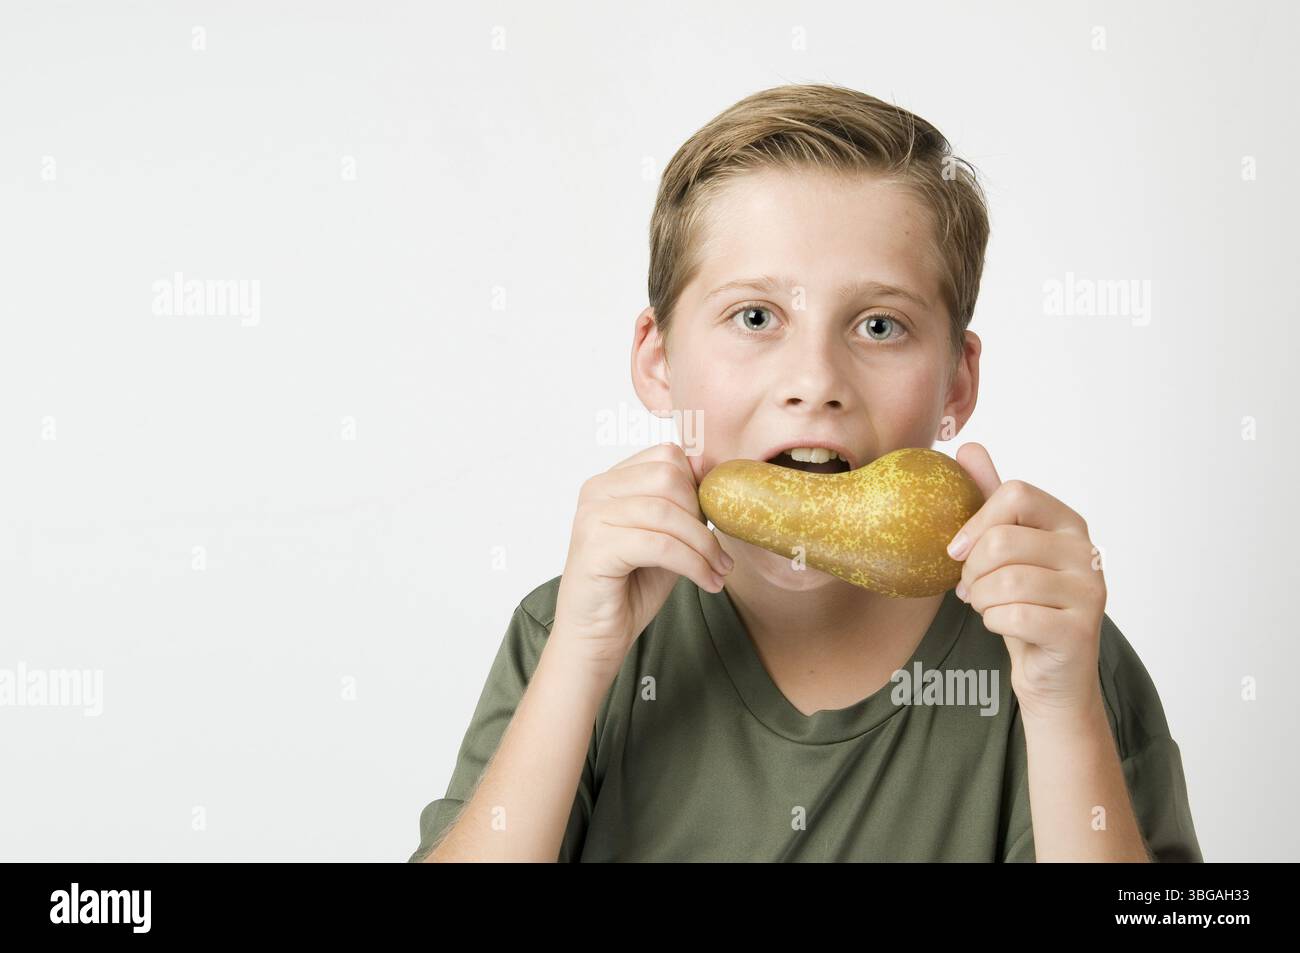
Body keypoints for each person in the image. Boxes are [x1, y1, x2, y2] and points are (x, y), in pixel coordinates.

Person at [408, 83, 1202, 862]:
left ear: (956, 384)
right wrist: (581, 661)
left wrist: (1064, 711)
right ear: (657, 362)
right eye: (755, 317)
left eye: (879, 324)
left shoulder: (1057, 648)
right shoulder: (571, 631)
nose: (815, 379)